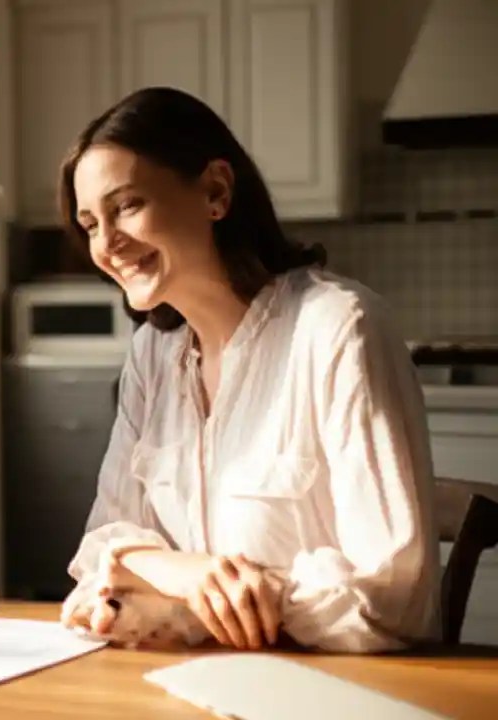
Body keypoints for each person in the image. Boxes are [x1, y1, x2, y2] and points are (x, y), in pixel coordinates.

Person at [56, 87, 439, 653]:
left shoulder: (338, 329)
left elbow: (393, 594)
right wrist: (177, 572)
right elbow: (101, 547)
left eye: (128, 206)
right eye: (90, 223)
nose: (107, 244)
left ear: (215, 191)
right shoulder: (152, 354)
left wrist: (193, 600)